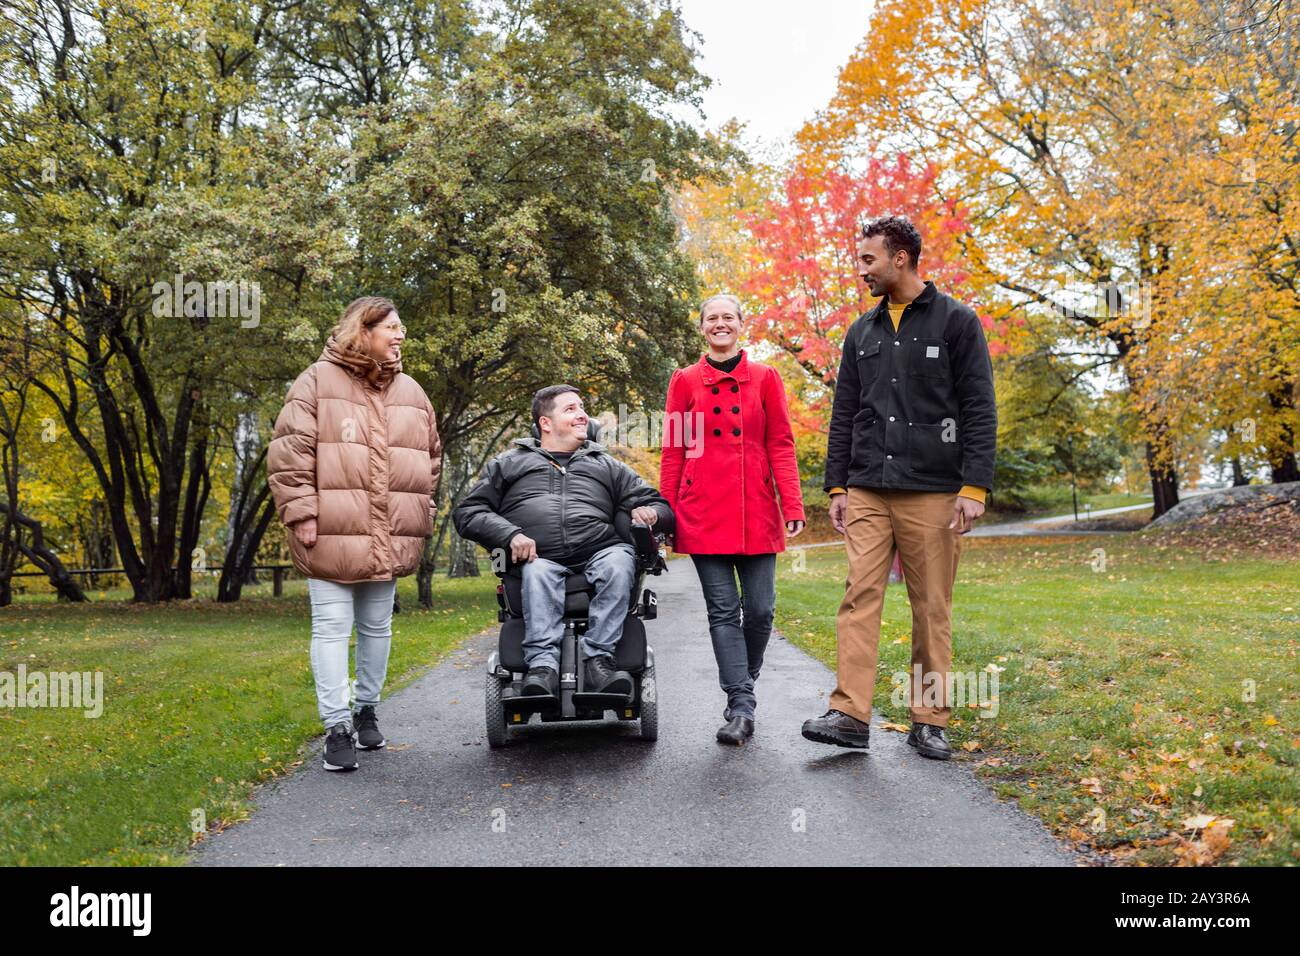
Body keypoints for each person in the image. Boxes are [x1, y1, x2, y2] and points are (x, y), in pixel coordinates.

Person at [800, 215, 996, 759]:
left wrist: (974, 486)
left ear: (900, 258)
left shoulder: (957, 322)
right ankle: (849, 715)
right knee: (858, 596)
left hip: (934, 490)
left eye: (868, 260)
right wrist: (836, 485)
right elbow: (845, 413)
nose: (860, 269)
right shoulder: (861, 332)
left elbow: (980, 408)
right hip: (868, 487)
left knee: (931, 606)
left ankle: (929, 719)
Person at [268, 296, 442, 772]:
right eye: (391, 325)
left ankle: (366, 709)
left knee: (377, 627)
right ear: (362, 331)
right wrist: (302, 513)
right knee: (330, 629)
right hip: (328, 531)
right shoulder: (316, 382)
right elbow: (290, 454)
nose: (401, 332)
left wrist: (421, 508)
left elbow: (430, 458)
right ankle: (336, 727)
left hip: (388, 531)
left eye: (400, 324)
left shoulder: (411, 391)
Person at [452, 385, 673, 698]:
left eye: (582, 408)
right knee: (537, 572)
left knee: (620, 562)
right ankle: (542, 668)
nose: (582, 414)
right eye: (571, 409)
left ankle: (599, 660)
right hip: (537, 557)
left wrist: (651, 511)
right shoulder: (509, 463)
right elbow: (468, 512)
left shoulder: (606, 464)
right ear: (545, 423)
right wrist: (509, 534)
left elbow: (661, 506)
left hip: (600, 551)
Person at [660, 293, 806, 746]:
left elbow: (781, 442)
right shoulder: (684, 381)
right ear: (702, 327)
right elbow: (674, 450)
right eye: (712, 318)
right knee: (723, 612)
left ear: (742, 324)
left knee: (760, 610)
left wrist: (793, 503)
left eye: (728, 317)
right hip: (701, 511)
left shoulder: (765, 378)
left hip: (757, 509)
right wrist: (666, 513)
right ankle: (741, 703)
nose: (720, 324)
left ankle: (745, 677)